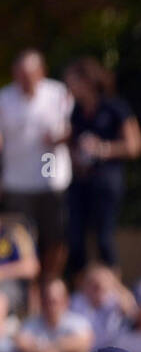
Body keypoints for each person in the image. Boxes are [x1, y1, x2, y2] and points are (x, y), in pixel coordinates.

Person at [63, 57, 141, 277]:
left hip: (107, 181)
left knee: (104, 239)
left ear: (87, 81)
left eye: (72, 82)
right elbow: (71, 144)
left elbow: (134, 146)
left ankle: (111, 296)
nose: (69, 88)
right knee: (75, 239)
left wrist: (103, 149)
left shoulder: (115, 107)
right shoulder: (76, 112)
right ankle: (81, 297)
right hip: (81, 181)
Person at [0, 50, 72, 284]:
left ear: (41, 72)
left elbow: (73, 129)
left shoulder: (58, 93)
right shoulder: (5, 98)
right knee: (23, 241)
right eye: (20, 75)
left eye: (29, 74)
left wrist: (59, 138)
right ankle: (29, 293)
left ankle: (50, 284)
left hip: (52, 179)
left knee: (56, 238)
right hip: (18, 182)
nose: (24, 80)